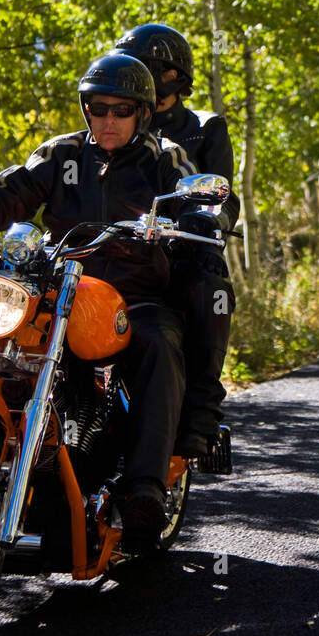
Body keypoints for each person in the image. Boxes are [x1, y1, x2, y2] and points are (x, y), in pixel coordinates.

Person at [0, 52, 206, 549]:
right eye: (97, 108)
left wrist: (197, 217)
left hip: (132, 297)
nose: (108, 119)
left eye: (120, 110)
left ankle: (143, 491)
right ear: (85, 108)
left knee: (160, 344)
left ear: (142, 113)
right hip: (57, 289)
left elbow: (192, 196)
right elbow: (9, 191)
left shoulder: (165, 157)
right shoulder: (61, 154)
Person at [113, 23, 238, 459]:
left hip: (182, 247)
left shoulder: (204, 127)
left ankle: (202, 415)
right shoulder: (118, 119)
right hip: (119, 248)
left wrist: (208, 224)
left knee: (210, 288)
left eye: (145, 71)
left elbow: (224, 192)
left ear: (172, 77)